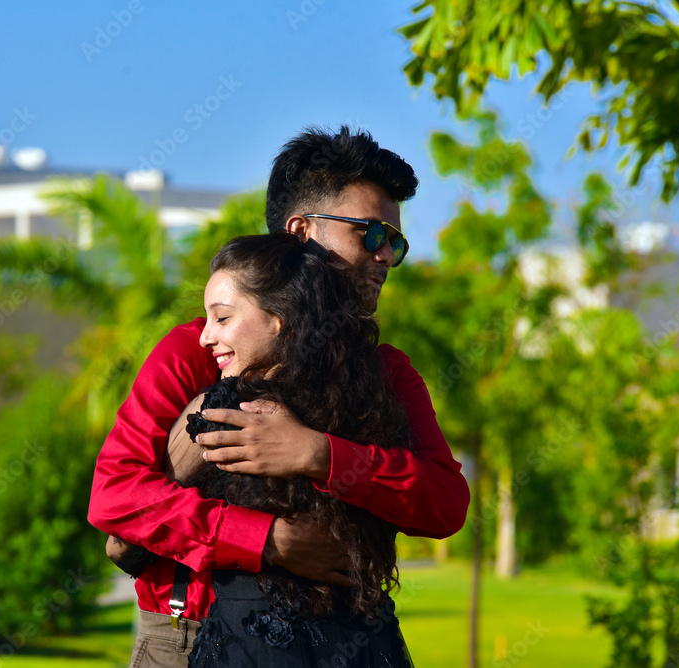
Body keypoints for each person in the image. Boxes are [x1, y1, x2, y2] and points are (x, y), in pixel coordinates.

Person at [87, 126, 470, 665]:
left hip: (346, 640)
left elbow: (445, 504)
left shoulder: (386, 372)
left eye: (396, 242)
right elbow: (116, 494)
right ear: (301, 230)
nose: (386, 256)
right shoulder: (197, 352)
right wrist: (267, 540)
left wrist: (318, 454)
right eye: (373, 234)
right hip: (189, 633)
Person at [181, 233, 415, 666]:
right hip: (365, 642)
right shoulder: (372, 397)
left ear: (279, 318)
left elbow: (124, 532)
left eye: (223, 318)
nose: (204, 337)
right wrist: (269, 539)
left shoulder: (225, 407)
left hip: (256, 648)